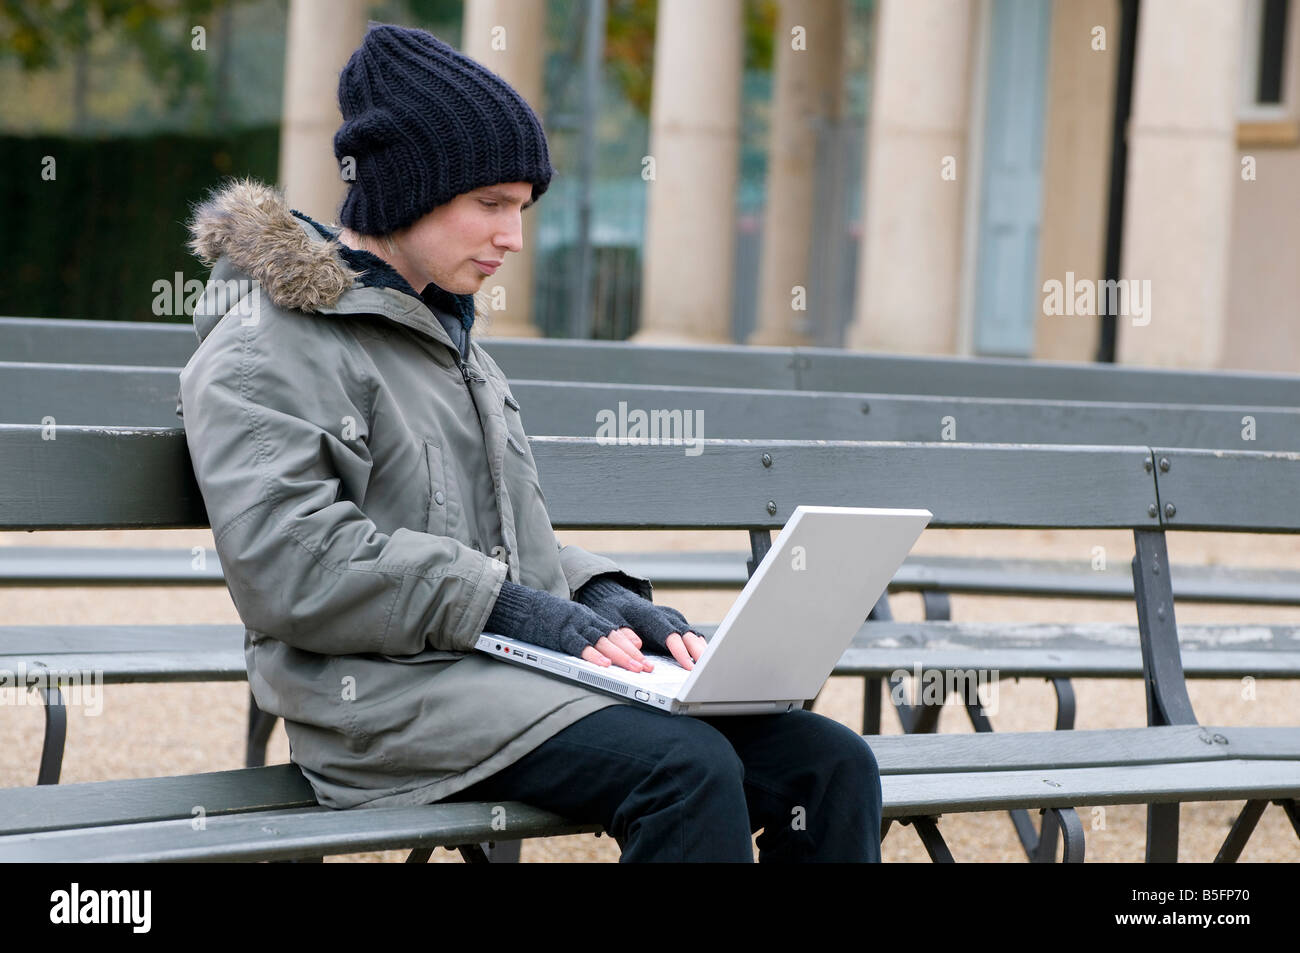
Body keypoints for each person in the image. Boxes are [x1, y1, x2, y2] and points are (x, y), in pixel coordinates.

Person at [179, 21, 883, 862]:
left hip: (494, 672)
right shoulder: (263, 347)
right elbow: (296, 568)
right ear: (406, 189)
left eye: (523, 207)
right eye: (491, 205)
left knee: (829, 761)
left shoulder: (449, 338)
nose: (515, 237)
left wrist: (603, 600)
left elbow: (504, 544)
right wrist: (515, 609)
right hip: (377, 703)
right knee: (685, 769)